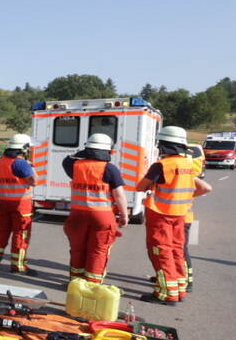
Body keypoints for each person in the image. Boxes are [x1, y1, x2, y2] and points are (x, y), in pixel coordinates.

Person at [135, 126, 212, 305]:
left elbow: (140, 186)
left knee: (161, 253)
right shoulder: (187, 164)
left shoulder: (161, 165)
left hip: (161, 216)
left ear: (163, 145)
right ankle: (180, 289)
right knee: (177, 251)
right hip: (180, 216)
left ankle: (167, 295)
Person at [62, 134, 128, 284]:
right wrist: (124, 215)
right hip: (102, 215)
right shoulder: (110, 169)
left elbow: (68, 159)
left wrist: (83, 152)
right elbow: (119, 195)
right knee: (98, 250)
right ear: (107, 151)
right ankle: (92, 285)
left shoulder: (74, 166)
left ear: (87, 149)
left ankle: (75, 284)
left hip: (78, 214)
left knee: (78, 249)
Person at [0, 133, 38, 276]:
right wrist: (31, 168)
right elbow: (33, 181)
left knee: (3, 231)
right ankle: (18, 266)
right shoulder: (21, 163)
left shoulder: (2, 161)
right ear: (24, 148)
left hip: (4, 203)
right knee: (21, 234)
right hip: (21, 206)